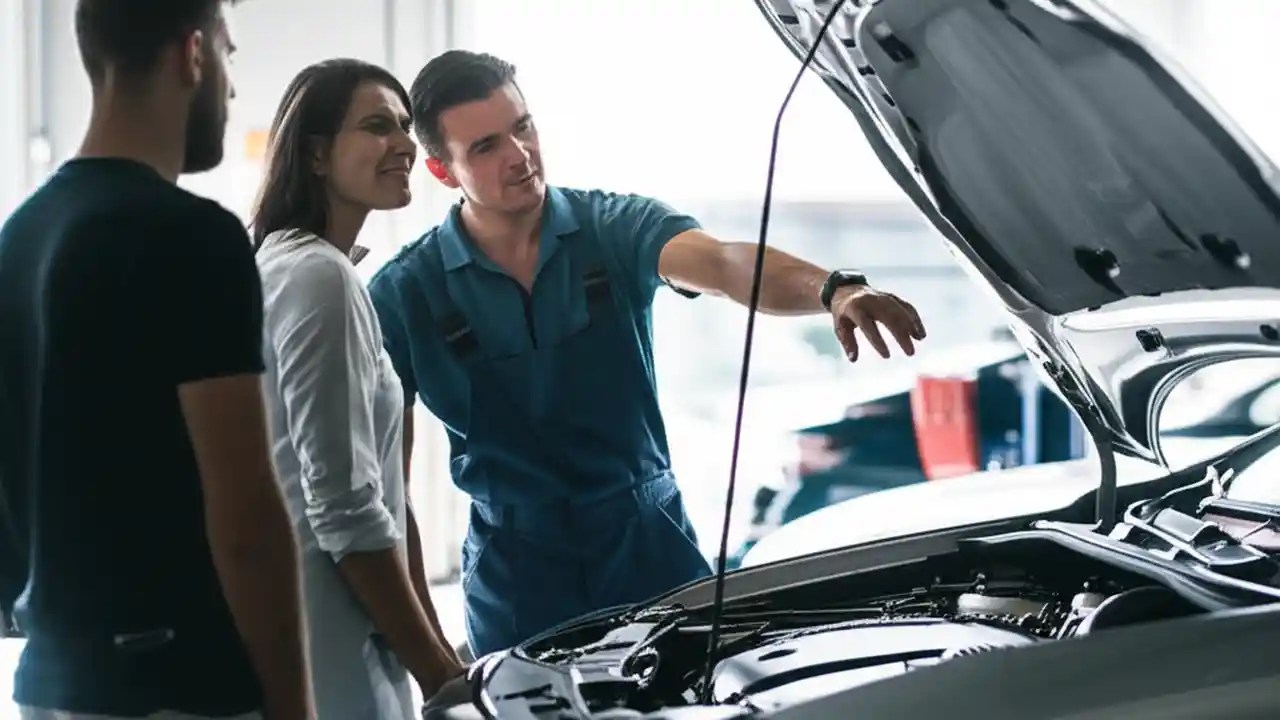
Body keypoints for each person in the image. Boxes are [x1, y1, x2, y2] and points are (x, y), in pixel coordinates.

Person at [367, 50, 928, 658]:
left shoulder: (613, 226)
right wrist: (427, 650)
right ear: (443, 172)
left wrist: (835, 289)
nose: (519, 155)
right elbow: (385, 496)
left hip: (648, 547)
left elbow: (722, 263)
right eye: (485, 147)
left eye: (523, 127)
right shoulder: (405, 294)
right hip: (516, 574)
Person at [0, 1, 313, 718]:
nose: (232, 88)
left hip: (52, 680)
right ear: (192, 54)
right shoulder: (189, 237)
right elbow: (246, 519)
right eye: (230, 56)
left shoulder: (19, 238)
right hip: (178, 685)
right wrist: (296, 708)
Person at [249, 58, 464, 718]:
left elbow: (390, 502)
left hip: (331, 637)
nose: (403, 143)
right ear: (315, 155)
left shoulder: (297, 267)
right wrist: (439, 677)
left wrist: (442, 657)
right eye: (376, 127)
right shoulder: (318, 277)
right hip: (335, 648)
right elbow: (344, 504)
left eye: (404, 126)